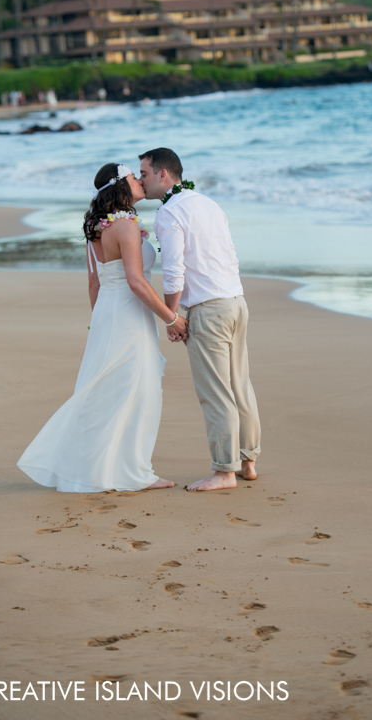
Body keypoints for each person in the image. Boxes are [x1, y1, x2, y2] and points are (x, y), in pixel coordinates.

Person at [17, 162, 187, 493]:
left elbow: (94, 283)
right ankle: (134, 472)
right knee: (140, 391)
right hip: (128, 313)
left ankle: (99, 469)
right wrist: (171, 317)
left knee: (109, 391)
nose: (140, 181)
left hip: (109, 312)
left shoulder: (96, 228)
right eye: (133, 177)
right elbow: (136, 282)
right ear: (120, 186)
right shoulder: (125, 226)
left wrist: (100, 324)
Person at [139, 147, 261, 492]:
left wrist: (171, 317)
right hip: (236, 301)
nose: (142, 181)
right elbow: (230, 254)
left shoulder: (169, 213)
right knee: (240, 385)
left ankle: (224, 471)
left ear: (163, 174)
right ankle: (248, 461)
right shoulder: (208, 203)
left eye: (145, 174)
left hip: (208, 309)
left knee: (215, 393)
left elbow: (173, 272)